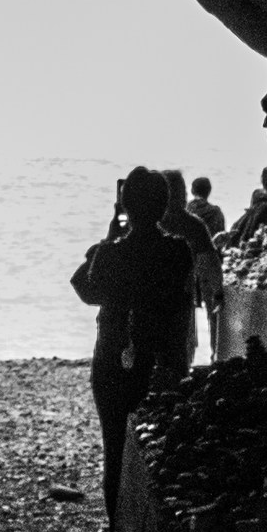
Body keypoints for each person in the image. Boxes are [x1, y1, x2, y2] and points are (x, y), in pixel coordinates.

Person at [73, 167, 198, 506]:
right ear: (165, 205)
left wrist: (109, 236)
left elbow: (84, 287)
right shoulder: (178, 251)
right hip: (161, 358)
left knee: (115, 448)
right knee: (160, 449)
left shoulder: (111, 252)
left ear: (125, 204)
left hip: (114, 356)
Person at [184, 174, 231, 357]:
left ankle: (187, 354)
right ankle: (215, 353)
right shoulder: (216, 212)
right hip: (207, 266)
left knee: (187, 315)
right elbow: (219, 244)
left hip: (187, 267)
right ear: (208, 192)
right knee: (213, 315)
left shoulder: (185, 211)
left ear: (192, 190)